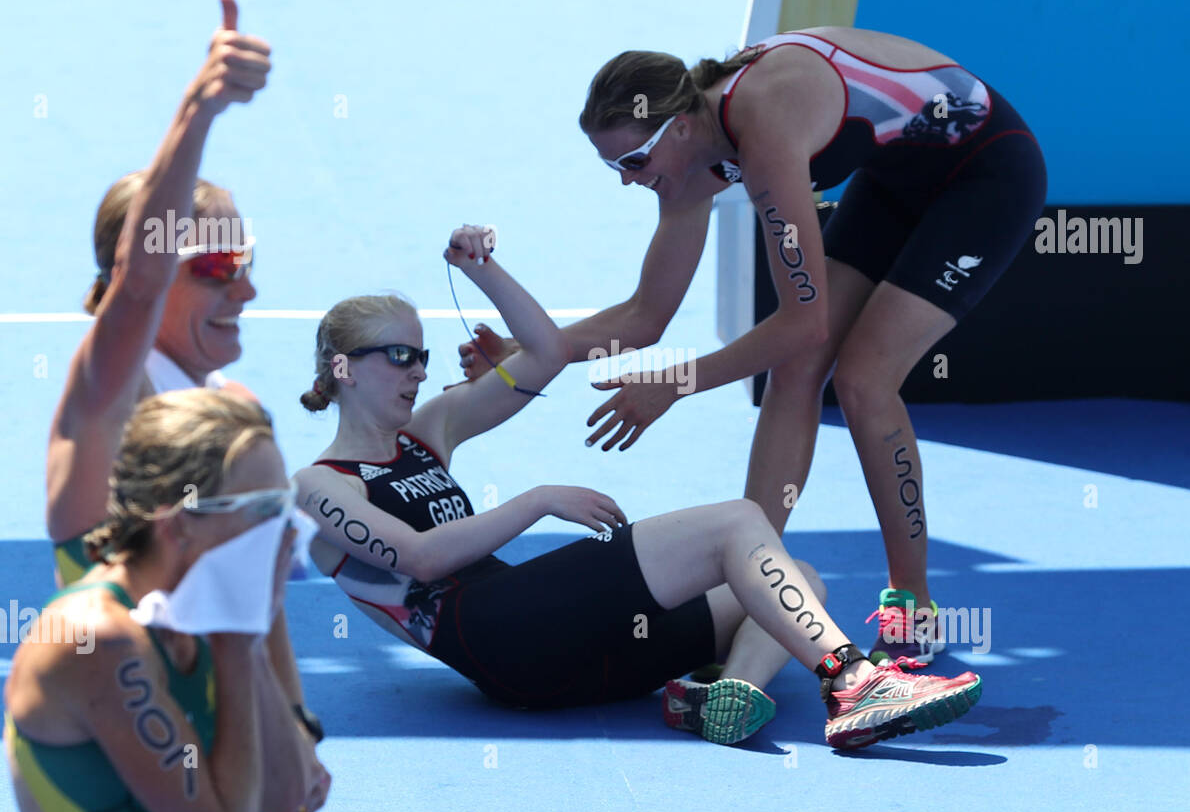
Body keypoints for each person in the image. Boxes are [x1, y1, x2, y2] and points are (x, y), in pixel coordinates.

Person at [457, 26, 1047, 670]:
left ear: (678, 128)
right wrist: (528, 348)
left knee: (864, 379)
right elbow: (644, 316)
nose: (628, 182)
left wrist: (674, 384)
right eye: (613, 167)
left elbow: (805, 321)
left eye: (633, 163)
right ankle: (757, 579)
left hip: (984, 172)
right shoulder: (684, 163)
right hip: (896, 173)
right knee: (795, 372)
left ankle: (913, 606)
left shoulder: (763, 127)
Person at [293, 226, 982, 749]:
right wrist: (538, 500)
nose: (416, 370)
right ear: (344, 370)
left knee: (794, 576)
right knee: (737, 523)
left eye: (421, 354)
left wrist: (481, 269)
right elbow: (417, 559)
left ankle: (724, 694)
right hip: (492, 633)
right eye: (397, 356)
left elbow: (547, 354)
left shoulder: (428, 428)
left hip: (556, 656)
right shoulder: (320, 485)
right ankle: (854, 682)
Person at [42, 0, 327, 809]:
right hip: (130, 775)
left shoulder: (230, 409)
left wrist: (299, 729)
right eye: (216, 269)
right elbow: (136, 289)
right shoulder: (106, 409)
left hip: (236, 740)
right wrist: (200, 108)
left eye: (245, 263)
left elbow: (260, 592)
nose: (248, 288)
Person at [6, 391, 315, 812]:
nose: (289, 532)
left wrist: (250, 638)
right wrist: (239, 648)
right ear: (181, 522)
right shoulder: (97, 640)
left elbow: (286, 802)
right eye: (265, 508)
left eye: (287, 503)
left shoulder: (211, 608)